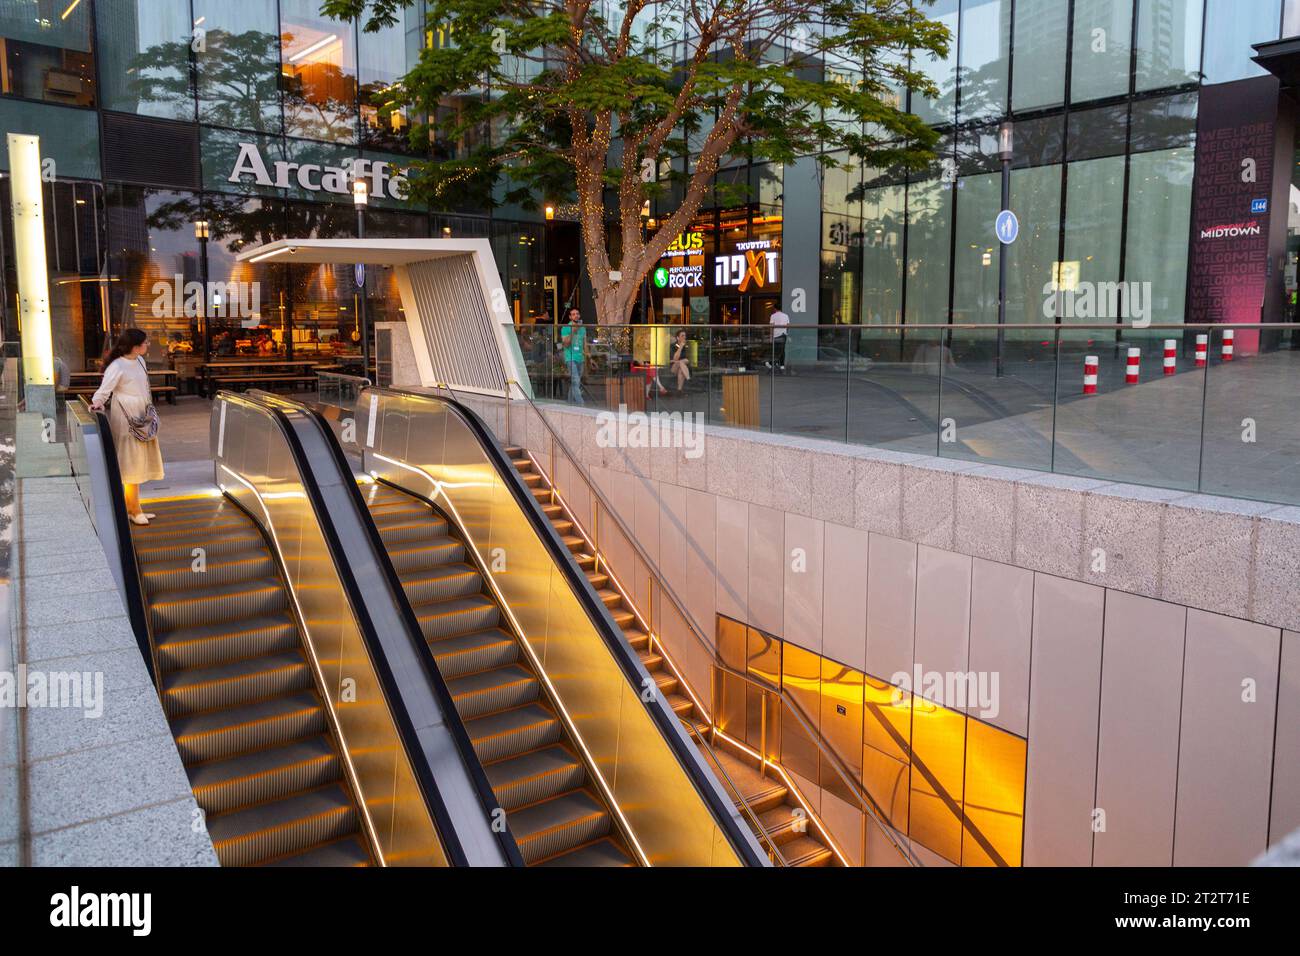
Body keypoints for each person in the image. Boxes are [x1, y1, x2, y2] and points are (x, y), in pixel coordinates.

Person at [90, 329, 164, 525]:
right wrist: (97, 402)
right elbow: (105, 389)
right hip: (126, 416)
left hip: (142, 414)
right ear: (135, 346)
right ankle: (133, 509)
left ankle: (133, 506)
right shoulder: (117, 366)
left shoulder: (140, 361)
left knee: (138, 460)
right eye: (145, 343)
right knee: (131, 462)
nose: (148, 345)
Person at [560, 306, 586, 405]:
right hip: (570, 357)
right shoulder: (565, 328)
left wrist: (589, 358)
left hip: (580, 358)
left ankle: (570, 403)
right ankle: (581, 404)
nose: (576, 316)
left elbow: (584, 344)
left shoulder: (583, 328)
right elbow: (565, 344)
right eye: (573, 314)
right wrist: (573, 330)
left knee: (575, 382)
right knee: (575, 381)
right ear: (570, 317)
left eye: (577, 314)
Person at [669, 329, 691, 393]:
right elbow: (675, 359)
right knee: (680, 362)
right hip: (673, 368)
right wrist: (680, 347)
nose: (684, 337)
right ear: (678, 338)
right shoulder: (673, 346)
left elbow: (688, 359)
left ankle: (679, 390)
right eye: (682, 336)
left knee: (681, 370)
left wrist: (680, 361)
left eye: (685, 335)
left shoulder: (687, 346)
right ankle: (688, 377)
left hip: (684, 367)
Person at [769, 306, 790, 371]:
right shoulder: (786, 315)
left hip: (775, 335)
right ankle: (782, 365)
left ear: (775, 308)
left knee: (775, 350)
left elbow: (771, 327)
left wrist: (770, 336)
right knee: (782, 350)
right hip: (783, 335)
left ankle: (773, 363)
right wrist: (786, 333)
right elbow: (788, 325)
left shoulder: (773, 316)